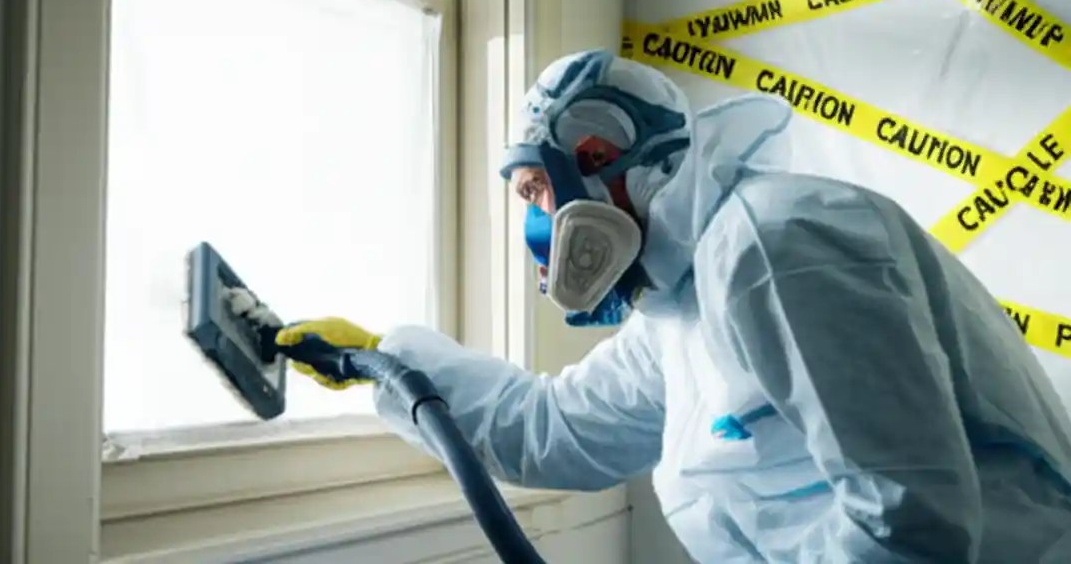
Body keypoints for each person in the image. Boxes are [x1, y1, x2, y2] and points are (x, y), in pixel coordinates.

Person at [273, 49, 1071, 562]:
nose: (537, 227)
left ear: (596, 157)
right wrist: (389, 361)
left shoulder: (776, 247)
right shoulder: (683, 304)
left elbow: (914, 521)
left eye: (538, 190)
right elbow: (555, 431)